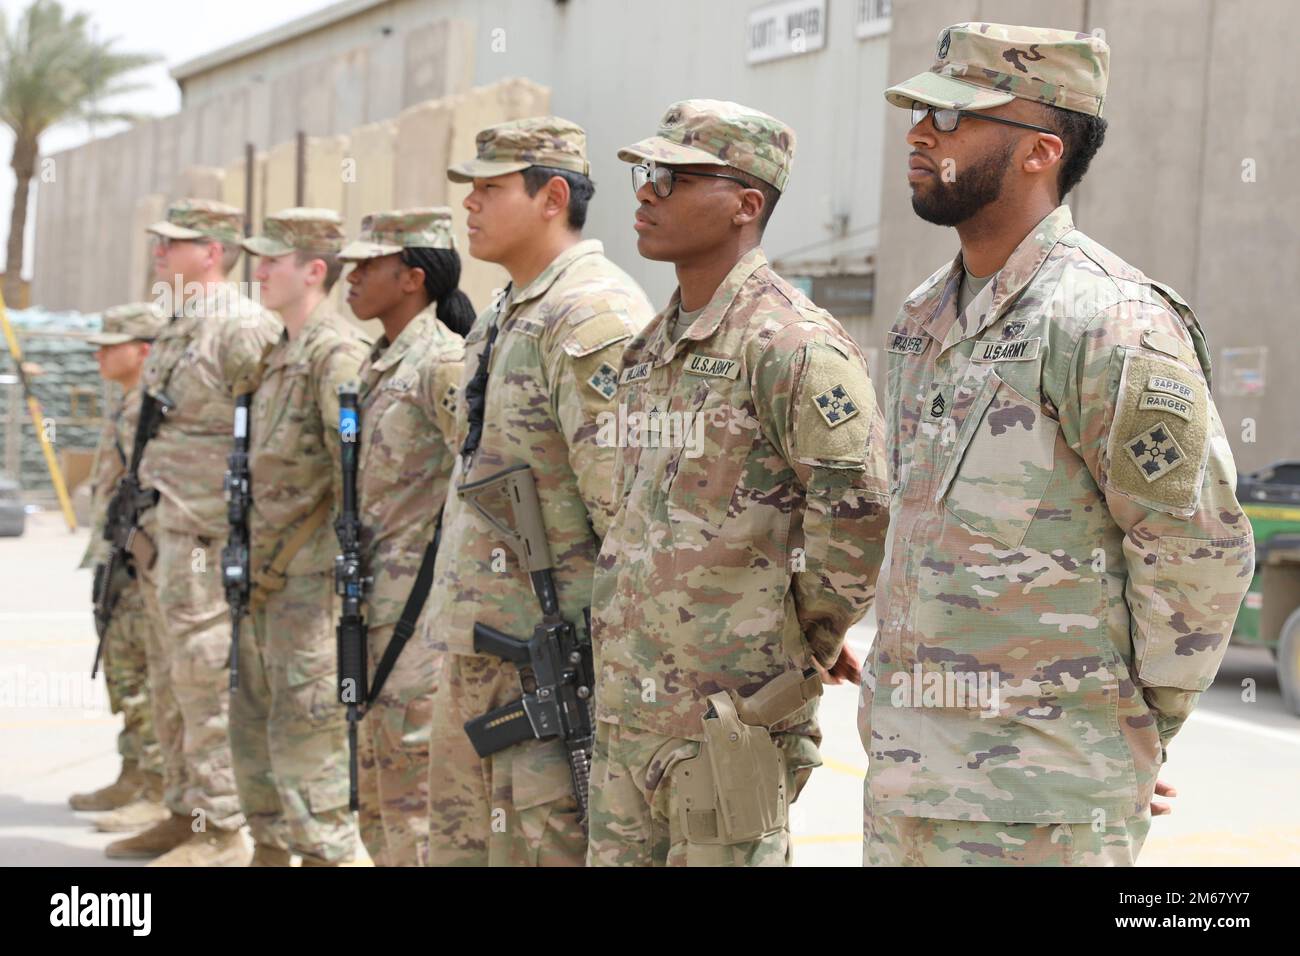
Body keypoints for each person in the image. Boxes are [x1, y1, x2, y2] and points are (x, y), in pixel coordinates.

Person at [859, 22, 1254, 865]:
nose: (920, 135)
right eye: (921, 113)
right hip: (908, 787)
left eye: (953, 118)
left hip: (1043, 806)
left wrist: (1136, 729)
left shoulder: (1109, 321)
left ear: (1041, 151)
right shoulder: (921, 319)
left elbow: (1195, 547)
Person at [584, 99, 890, 867]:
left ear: (747, 204)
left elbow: (858, 512)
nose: (646, 193)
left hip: (730, 722)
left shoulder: (791, 345)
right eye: (645, 175)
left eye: (674, 177)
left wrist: (801, 642)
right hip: (632, 716)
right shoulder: (653, 346)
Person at [424, 116, 652, 866]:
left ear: (552, 196)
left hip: (551, 676)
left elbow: (630, 515)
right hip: (484, 661)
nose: (470, 206)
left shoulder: (592, 318)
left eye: (489, 189)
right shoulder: (505, 313)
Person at [105, 199, 281, 866]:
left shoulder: (241, 326)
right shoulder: (180, 325)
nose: (159, 251)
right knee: (171, 676)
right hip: (162, 528)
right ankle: (184, 810)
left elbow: (274, 426)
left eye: (174, 242)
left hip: (207, 533)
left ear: (212, 252)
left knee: (206, 679)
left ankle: (221, 829)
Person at [227, 207, 370, 866]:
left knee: (309, 745)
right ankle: (269, 850)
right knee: (255, 733)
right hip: (263, 583)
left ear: (314, 270)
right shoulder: (276, 351)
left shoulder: (334, 353)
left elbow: (356, 477)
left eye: (271, 260)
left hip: (310, 592)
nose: (257, 270)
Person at [340, 207, 472, 866]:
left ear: (413, 277)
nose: (351, 275)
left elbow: (482, 480)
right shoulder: (377, 364)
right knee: (373, 789)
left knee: (415, 796)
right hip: (371, 607)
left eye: (368, 264)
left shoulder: (441, 363)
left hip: (420, 617)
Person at [72, 303, 169, 834]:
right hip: (118, 559)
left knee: (148, 677)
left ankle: (157, 788)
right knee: (124, 672)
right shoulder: (127, 404)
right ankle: (133, 772)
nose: (101, 353)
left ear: (145, 351)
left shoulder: (153, 409)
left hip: (143, 563)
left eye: (114, 344)